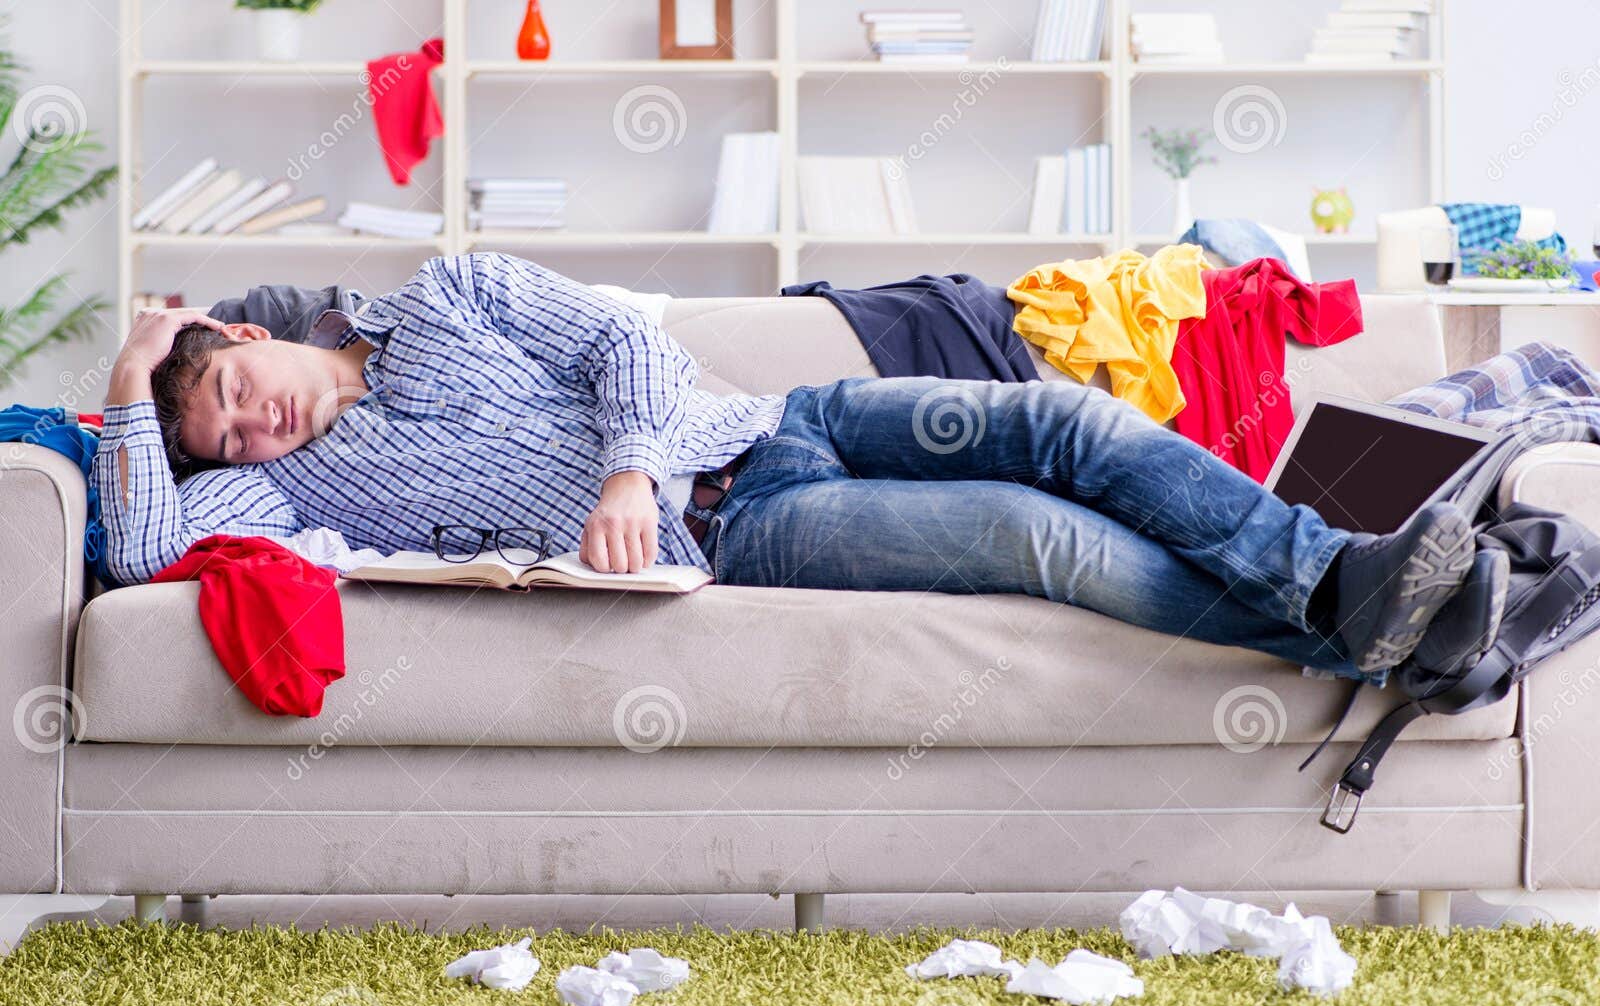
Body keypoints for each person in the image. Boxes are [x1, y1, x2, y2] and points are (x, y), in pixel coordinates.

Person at [92, 252, 1502, 680]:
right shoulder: (279, 495)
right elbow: (149, 550)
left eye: (231, 387)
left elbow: (628, 348)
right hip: (752, 532)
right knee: (1030, 532)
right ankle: (1374, 630)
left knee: (1075, 427)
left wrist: (625, 473)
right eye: (219, 433)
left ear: (237, 332)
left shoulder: (450, 289)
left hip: (776, 420)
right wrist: (128, 379)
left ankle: (1346, 587)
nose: (251, 425)